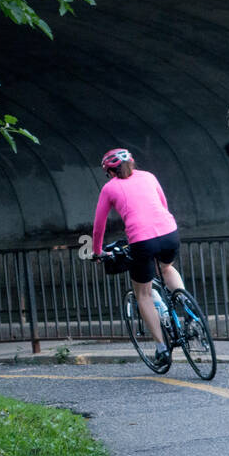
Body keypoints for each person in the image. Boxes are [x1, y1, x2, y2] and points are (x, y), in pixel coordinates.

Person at [91, 148, 187, 368]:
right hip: (169, 232)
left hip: (142, 241)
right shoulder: (149, 176)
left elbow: (99, 226)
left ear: (109, 171)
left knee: (142, 294)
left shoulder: (109, 188)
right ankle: (189, 308)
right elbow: (162, 204)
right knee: (166, 267)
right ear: (132, 163)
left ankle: (162, 349)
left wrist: (98, 251)